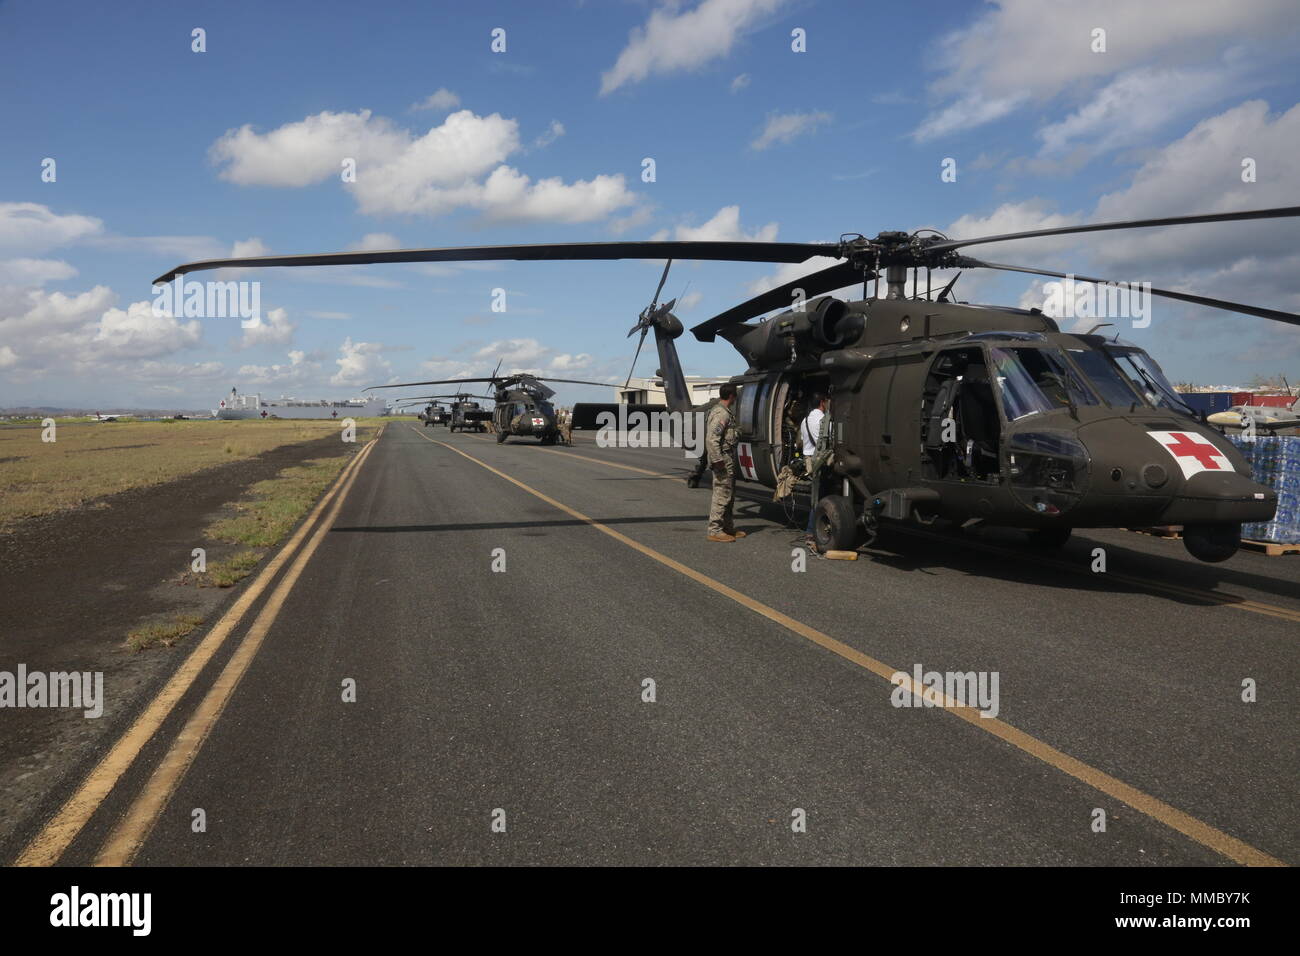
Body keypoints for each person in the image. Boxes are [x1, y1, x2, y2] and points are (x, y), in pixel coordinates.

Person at [705, 384, 746, 542]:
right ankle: (714, 530)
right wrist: (718, 460)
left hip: (727, 458)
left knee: (729, 494)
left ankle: (728, 527)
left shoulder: (724, 412)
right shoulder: (722, 414)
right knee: (722, 494)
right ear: (731, 396)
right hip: (723, 459)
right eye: (735, 395)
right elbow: (711, 439)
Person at [802, 393, 830, 544]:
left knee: (815, 495)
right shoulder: (824, 420)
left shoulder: (804, 420)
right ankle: (811, 530)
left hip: (809, 461)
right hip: (821, 461)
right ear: (822, 402)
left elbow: (803, 442)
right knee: (821, 496)